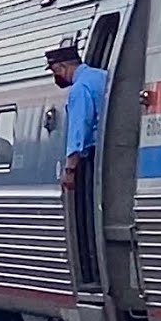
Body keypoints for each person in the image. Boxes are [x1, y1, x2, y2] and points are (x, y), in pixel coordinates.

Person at [46, 44, 108, 284]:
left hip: (89, 159)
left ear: (62, 66)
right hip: (110, 154)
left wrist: (70, 169)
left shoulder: (80, 89)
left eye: (55, 71)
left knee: (85, 217)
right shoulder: (104, 77)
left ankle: (92, 269)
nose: (56, 77)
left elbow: (79, 131)